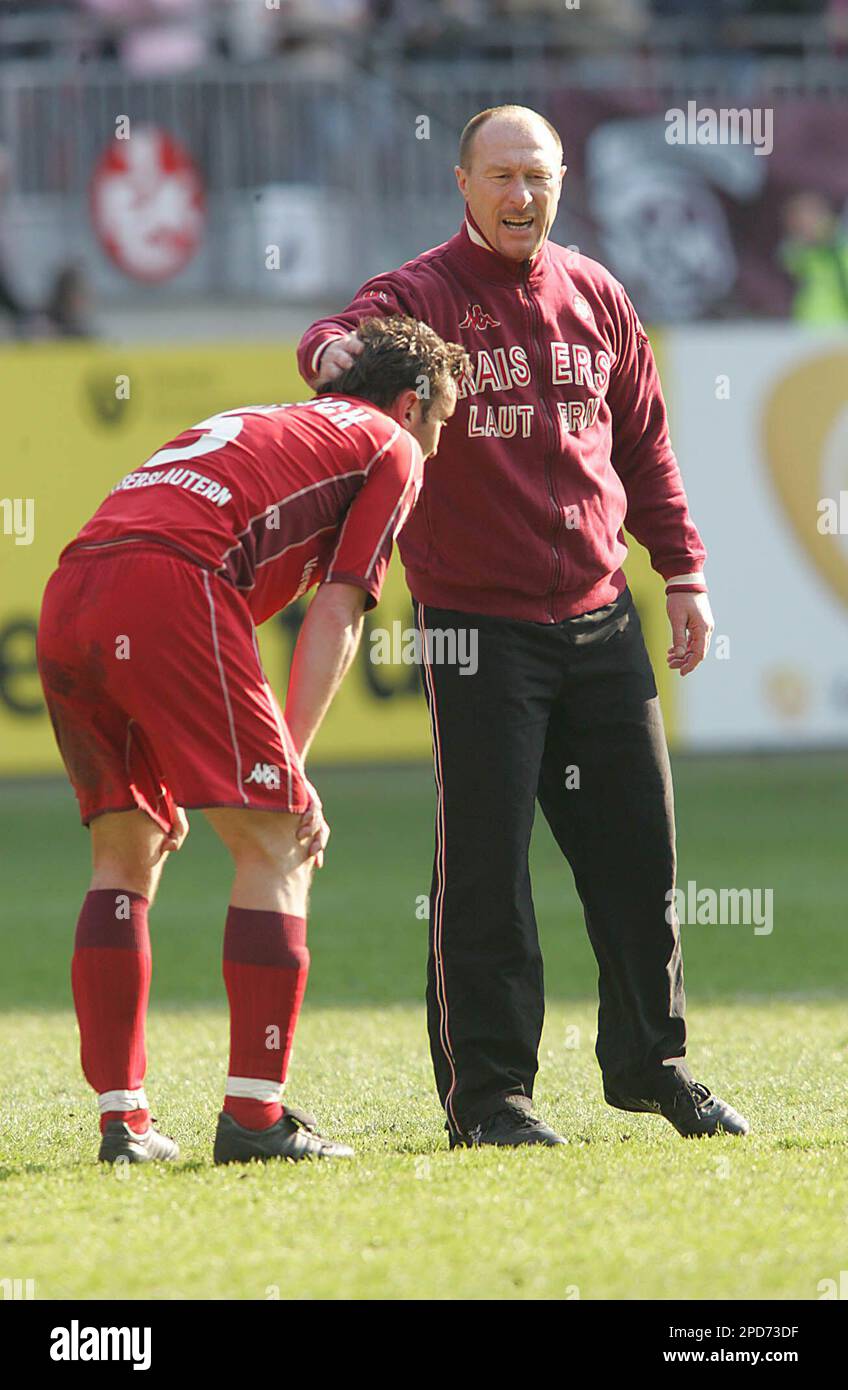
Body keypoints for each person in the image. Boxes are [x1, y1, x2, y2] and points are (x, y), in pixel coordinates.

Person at [298, 105, 749, 1147]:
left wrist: (681, 571)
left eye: (537, 177)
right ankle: (490, 1095)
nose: (519, 195)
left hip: (600, 619)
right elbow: (339, 334)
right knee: (486, 870)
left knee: (641, 856)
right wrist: (331, 359)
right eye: (499, 175)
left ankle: (651, 1064)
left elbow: (642, 443)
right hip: (477, 629)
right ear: (461, 183)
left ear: (559, 184)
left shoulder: (595, 293)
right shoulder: (422, 293)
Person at [37, 315, 467, 1166]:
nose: (437, 448)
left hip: (71, 588)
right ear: (412, 404)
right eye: (441, 426)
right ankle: (255, 1120)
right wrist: (292, 769)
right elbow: (339, 609)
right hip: (170, 582)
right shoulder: (393, 444)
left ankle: (122, 1123)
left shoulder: (274, 420)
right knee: (279, 842)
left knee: (128, 851)